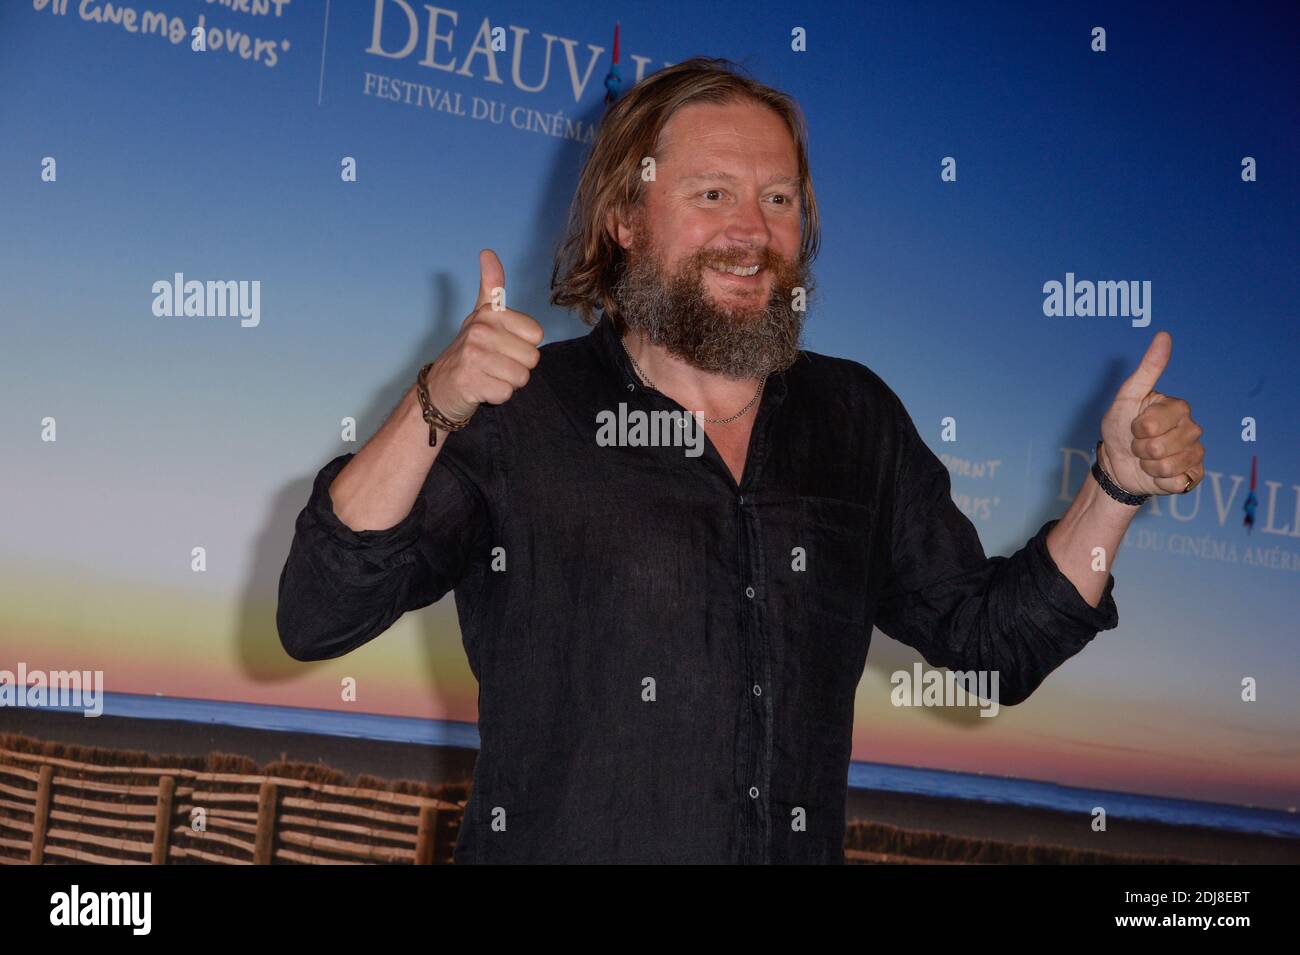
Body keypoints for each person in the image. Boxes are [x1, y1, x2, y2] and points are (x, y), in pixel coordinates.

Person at [276, 57, 1205, 864]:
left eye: (779, 198)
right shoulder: (520, 413)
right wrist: (435, 402)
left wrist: (1114, 489)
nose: (751, 231)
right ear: (624, 219)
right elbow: (319, 611)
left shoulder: (857, 418)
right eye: (711, 192)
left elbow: (989, 648)